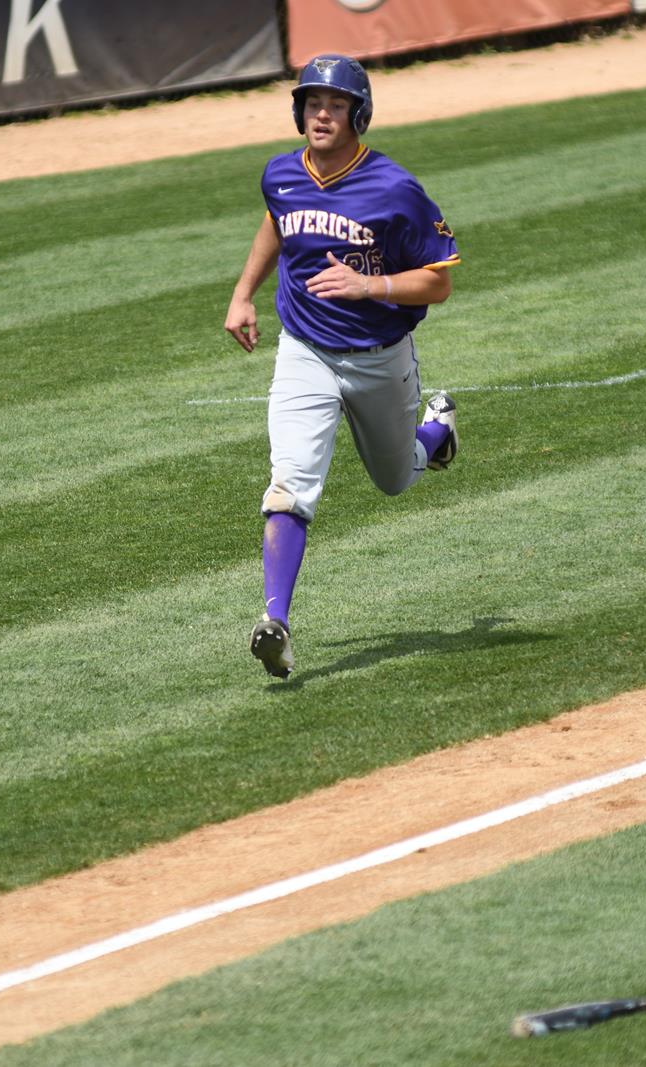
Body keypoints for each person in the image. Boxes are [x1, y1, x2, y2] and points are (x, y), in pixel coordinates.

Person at [224, 54, 462, 679]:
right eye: (312, 103)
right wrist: (243, 294)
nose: (321, 114)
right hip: (304, 350)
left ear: (359, 115)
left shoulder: (394, 188)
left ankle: (435, 434)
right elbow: (277, 222)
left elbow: (438, 282)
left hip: (380, 359)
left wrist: (369, 286)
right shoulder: (281, 173)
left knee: (394, 480)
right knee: (289, 483)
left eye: (335, 105)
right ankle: (275, 622)